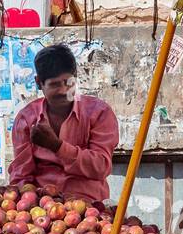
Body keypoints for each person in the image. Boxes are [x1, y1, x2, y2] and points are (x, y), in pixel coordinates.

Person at [8, 44, 119, 204]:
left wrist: (57, 146)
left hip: (90, 208)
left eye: (68, 83)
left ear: (75, 77)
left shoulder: (98, 112)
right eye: (54, 85)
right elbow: (21, 175)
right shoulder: (26, 119)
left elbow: (101, 167)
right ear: (39, 83)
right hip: (42, 208)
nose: (63, 91)